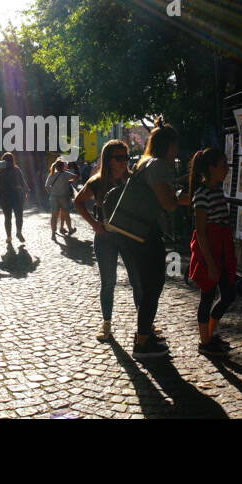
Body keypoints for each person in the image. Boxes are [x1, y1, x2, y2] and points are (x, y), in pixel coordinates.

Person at [127, 117, 190, 358]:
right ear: (167, 145)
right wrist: (182, 199)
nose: (177, 150)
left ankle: (145, 333)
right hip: (147, 233)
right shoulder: (159, 166)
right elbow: (167, 203)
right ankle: (143, 343)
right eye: (175, 145)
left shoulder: (145, 162)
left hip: (136, 232)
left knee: (147, 285)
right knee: (154, 285)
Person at [74, 140, 144, 342]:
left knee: (137, 281)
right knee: (108, 282)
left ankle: (144, 324)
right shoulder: (97, 182)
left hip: (130, 238)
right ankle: (106, 323)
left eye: (126, 157)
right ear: (108, 159)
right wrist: (94, 224)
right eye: (119, 158)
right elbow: (78, 201)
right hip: (105, 238)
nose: (124, 162)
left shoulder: (133, 180)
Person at [187, 147, 236, 357]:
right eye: (223, 165)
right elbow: (201, 232)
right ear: (211, 167)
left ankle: (210, 333)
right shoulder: (202, 194)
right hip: (211, 251)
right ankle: (205, 341)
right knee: (207, 296)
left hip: (223, 249)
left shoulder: (218, 190)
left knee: (228, 294)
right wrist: (211, 263)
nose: (227, 169)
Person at [0, 151, 29, 244]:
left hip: (4, 196)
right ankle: (18, 232)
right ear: (12, 160)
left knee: (7, 217)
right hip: (17, 195)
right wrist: (26, 191)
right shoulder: (16, 169)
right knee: (19, 215)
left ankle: (9, 237)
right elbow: (22, 182)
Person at [45, 159, 78, 239]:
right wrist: (70, 182)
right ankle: (70, 229)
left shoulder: (51, 174)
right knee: (66, 214)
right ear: (63, 166)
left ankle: (53, 233)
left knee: (54, 215)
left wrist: (51, 192)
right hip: (64, 197)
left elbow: (46, 186)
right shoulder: (66, 174)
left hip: (54, 197)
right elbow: (76, 177)